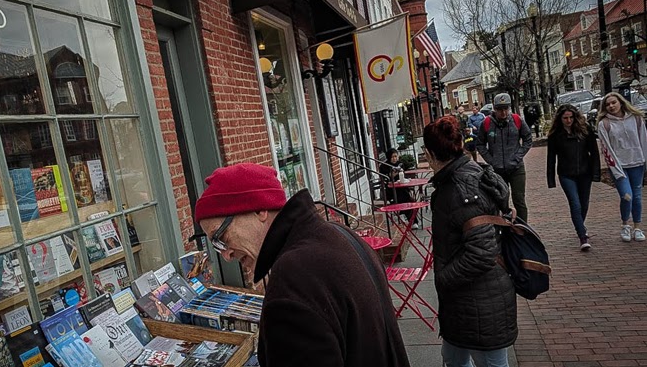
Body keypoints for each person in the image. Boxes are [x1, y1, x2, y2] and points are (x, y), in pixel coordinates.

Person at [194, 163, 409, 367]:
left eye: (220, 237)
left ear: (260, 210)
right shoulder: (337, 233)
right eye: (215, 245)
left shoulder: (294, 276)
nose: (226, 255)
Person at [424, 116, 518, 367]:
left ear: (430, 153)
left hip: (481, 302)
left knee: (490, 363)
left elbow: (482, 253)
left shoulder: (460, 189)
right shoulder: (462, 177)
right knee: (454, 359)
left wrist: (444, 278)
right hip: (464, 303)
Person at [546, 104, 600, 251]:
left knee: (584, 204)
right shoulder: (555, 135)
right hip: (566, 174)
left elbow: (594, 153)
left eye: (571, 117)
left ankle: (580, 225)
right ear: (560, 118)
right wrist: (550, 179)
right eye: (565, 118)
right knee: (575, 203)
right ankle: (582, 236)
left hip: (585, 172)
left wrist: (596, 173)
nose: (568, 120)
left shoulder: (585, 130)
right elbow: (551, 158)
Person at [596, 92, 647, 242]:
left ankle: (637, 227)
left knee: (637, 196)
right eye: (607, 104)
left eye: (613, 103)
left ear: (621, 102)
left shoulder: (636, 119)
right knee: (627, 195)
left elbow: (643, 139)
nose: (611, 106)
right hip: (619, 165)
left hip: (637, 162)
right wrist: (615, 167)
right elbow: (606, 148)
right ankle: (625, 224)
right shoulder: (604, 124)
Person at [477, 92, 533, 222]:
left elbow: (528, 139)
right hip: (497, 170)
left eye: (505, 109)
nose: (503, 113)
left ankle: (522, 228)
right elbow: (480, 144)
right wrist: (491, 160)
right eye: (499, 109)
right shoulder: (486, 123)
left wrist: (518, 156)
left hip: (516, 168)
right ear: (494, 109)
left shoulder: (517, 121)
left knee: (519, 200)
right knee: (500, 200)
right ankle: (503, 227)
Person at [381, 148, 418, 229]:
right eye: (392, 157)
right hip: (391, 191)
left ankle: (412, 220)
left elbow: (403, 176)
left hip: (402, 188)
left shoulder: (400, 164)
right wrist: (392, 175)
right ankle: (411, 220)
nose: (395, 158)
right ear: (389, 157)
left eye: (396, 156)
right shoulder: (384, 166)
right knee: (407, 200)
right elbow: (385, 179)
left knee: (410, 200)